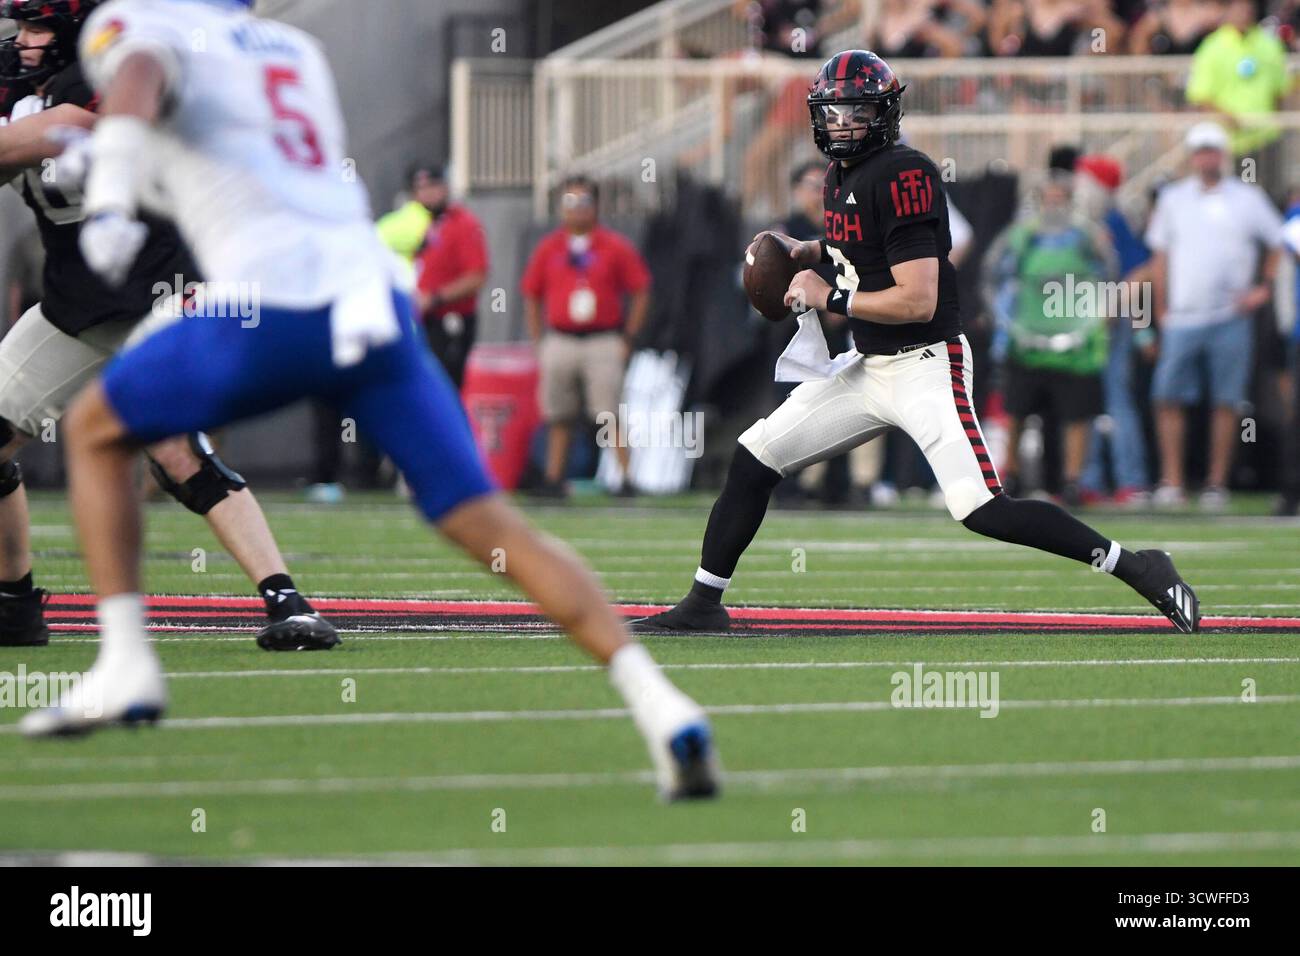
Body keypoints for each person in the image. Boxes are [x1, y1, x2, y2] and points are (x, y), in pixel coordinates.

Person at [21, 0, 719, 804]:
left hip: (274, 303)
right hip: (375, 308)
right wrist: (112, 159)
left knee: (95, 428)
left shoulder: (142, 25)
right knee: (490, 525)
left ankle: (125, 663)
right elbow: (238, 149)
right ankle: (662, 706)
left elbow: (144, 75)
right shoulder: (292, 47)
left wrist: (108, 191)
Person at [635, 50, 1200, 636]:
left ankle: (1138, 566)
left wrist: (826, 298)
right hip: (870, 365)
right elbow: (859, 249)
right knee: (755, 459)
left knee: (982, 509)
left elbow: (917, 300)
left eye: (855, 113)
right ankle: (704, 601)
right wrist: (810, 251)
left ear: (883, 114)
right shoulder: (838, 176)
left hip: (927, 365)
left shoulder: (906, 174)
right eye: (832, 113)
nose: (841, 125)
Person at [0, 0, 336, 651]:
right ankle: (14, 603)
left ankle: (288, 603)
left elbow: (61, 128)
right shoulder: (18, 76)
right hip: (78, 298)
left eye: (41, 25)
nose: (26, 40)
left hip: (165, 282)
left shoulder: (121, 69)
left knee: (174, 448)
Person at [1145, 121, 1282, 509]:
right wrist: (1160, 309)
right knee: (1168, 397)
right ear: (1192, 156)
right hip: (1183, 316)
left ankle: (1216, 483)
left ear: (1223, 154)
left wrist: (1263, 289)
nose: (1207, 158)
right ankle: (1172, 480)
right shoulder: (1173, 199)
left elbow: (1280, 240)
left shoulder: (1247, 198)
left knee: (1227, 401)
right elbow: (1161, 257)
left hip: (1230, 316)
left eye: (1213, 150)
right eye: (1201, 151)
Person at [983, 171, 1114, 504]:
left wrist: (1098, 316)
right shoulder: (1020, 237)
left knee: (1076, 415)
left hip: (1075, 344)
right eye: (1049, 198)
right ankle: (1010, 476)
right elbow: (993, 276)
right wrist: (1005, 321)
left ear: (1070, 202)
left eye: (1061, 199)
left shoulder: (1088, 237)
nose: (1054, 205)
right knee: (1016, 410)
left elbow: (1110, 275)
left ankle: (1072, 482)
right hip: (1027, 340)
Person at [521, 176, 650, 497]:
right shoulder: (549, 248)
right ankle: (555, 479)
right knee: (558, 413)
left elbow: (641, 289)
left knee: (608, 412)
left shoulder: (614, 246)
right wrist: (539, 341)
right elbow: (532, 294)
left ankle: (625, 478)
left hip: (602, 338)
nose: (577, 210)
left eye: (584, 203)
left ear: (596, 206)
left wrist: (628, 337)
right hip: (561, 338)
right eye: (570, 203)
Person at [1075, 154, 1153, 506]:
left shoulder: (1112, 222)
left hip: (1108, 322)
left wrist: (1115, 306)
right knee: (1083, 401)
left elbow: (1141, 272)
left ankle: (1130, 480)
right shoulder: (1077, 222)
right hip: (1077, 320)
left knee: (1115, 399)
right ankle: (1086, 480)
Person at [409, 165, 488, 390]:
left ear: (444, 188)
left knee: (447, 388)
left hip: (452, 322)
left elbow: (476, 277)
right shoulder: (433, 225)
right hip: (429, 322)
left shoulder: (463, 223)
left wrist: (434, 298)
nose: (426, 193)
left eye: (432, 186)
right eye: (420, 188)